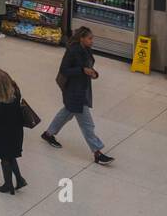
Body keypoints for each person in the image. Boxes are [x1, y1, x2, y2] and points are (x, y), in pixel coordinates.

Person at [42, 26, 114, 164]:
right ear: (82, 38)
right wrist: (82, 70)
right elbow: (64, 70)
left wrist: (93, 73)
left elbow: (88, 66)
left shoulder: (86, 49)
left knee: (66, 113)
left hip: (81, 88)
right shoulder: (73, 51)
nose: (92, 41)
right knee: (87, 125)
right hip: (74, 92)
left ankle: (48, 134)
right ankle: (97, 152)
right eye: (90, 38)